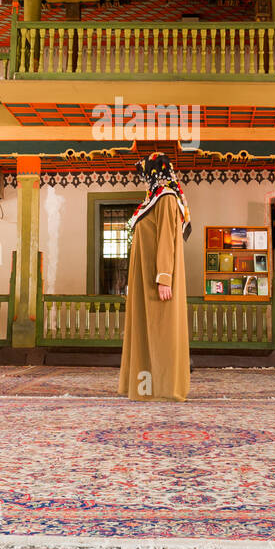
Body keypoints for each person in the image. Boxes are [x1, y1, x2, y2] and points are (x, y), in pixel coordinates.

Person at [118, 152, 191, 402]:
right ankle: (144, 386)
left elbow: (167, 240)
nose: (144, 179)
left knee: (162, 331)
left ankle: (165, 388)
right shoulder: (153, 199)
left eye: (145, 173)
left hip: (156, 280)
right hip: (145, 279)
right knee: (146, 328)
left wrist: (164, 277)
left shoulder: (167, 199)